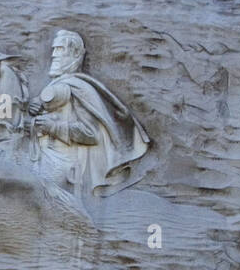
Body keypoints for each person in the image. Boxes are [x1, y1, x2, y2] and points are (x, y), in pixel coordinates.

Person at [28, 29, 150, 194]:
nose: (54, 55)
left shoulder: (80, 88)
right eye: (54, 49)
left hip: (63, 165)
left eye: (60, 49)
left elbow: (91, 134)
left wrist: (53, 126)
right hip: (40, 157)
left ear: (75, 53)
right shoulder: (56, 85)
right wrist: (34, 109)